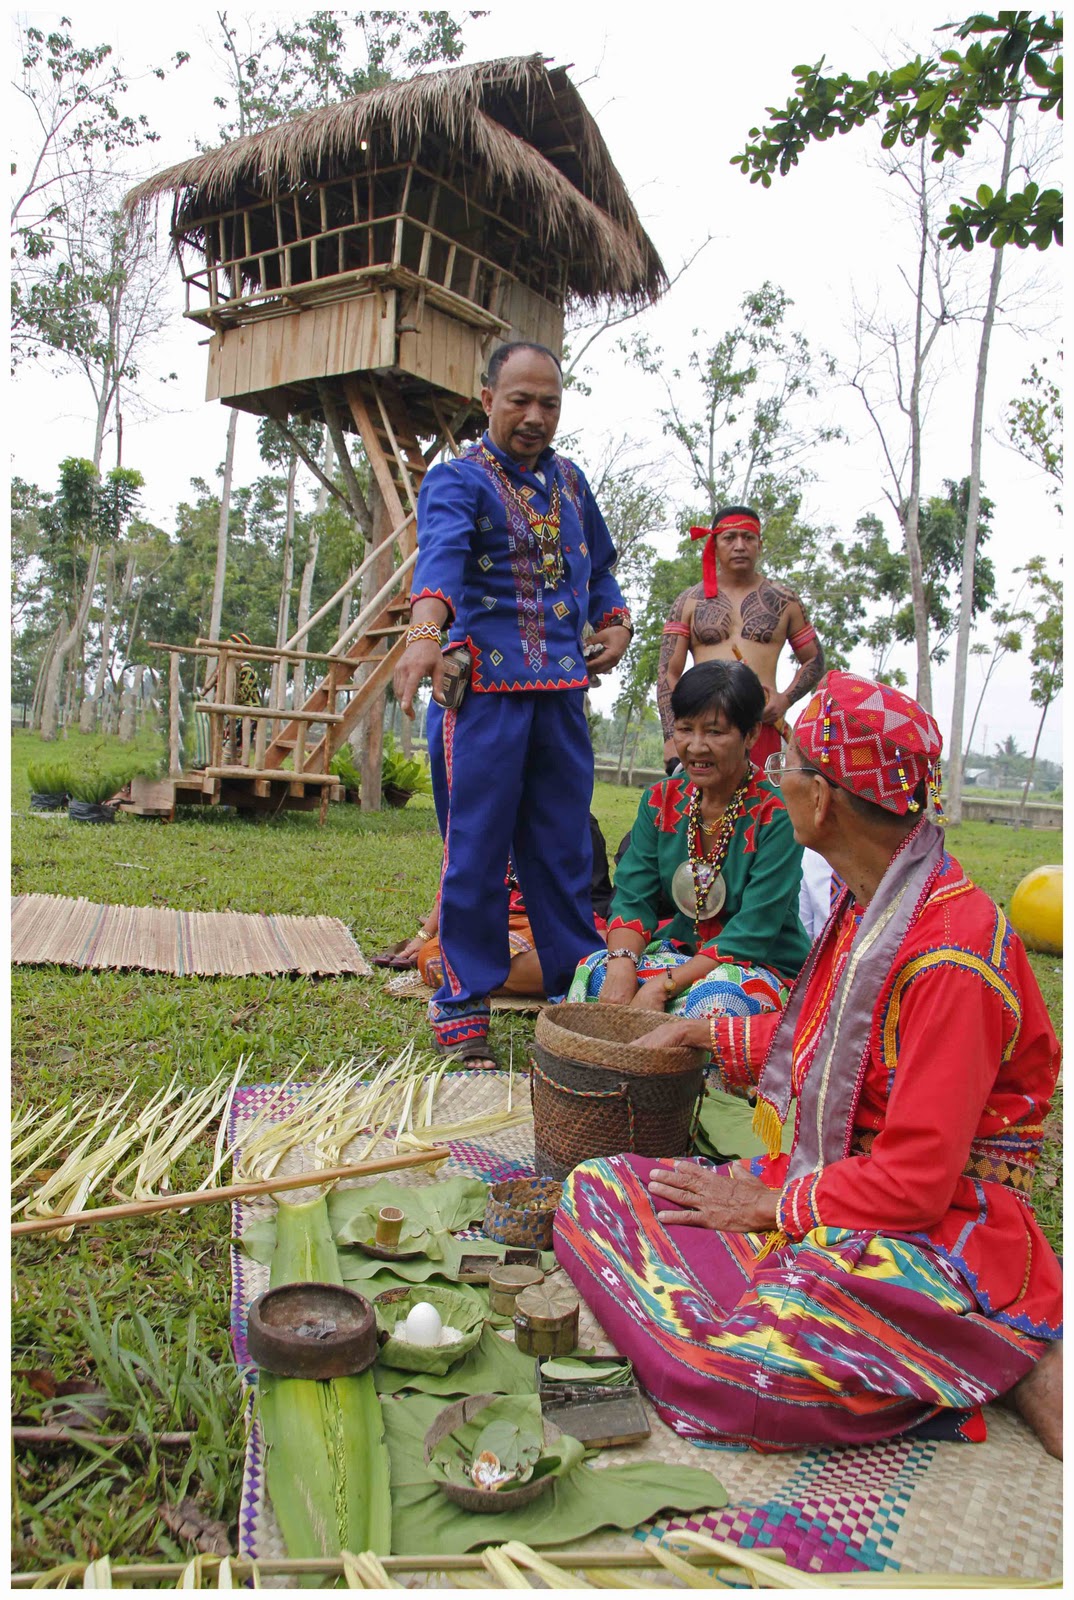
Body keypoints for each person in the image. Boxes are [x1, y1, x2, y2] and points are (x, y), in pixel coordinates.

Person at [555, 671, 1062, 1457]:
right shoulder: (876, 904)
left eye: (784, 759)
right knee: (597, 1191)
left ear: (821, 799)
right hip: (829, 1187)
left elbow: (918, 1180)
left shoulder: (950, 957)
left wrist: (770, 1207)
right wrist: (704, 1039)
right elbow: (831, 1054)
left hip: (935, 1229)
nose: (773, 773)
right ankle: (742, 1319)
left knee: (740, 1380)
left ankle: (973, 1341)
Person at [393, 342, 633, 1066]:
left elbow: (600, 571)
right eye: (519, 400)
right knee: (476, 851)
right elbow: (439, 561)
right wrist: (424, 636)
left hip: (560, 696)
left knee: (563, 850)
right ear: (487, 395)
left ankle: (572, 992)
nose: (534, 416)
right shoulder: (457, 481)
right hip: (483, 697)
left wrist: (616, 623)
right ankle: (464, 1000)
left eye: (549, 403)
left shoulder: (572, 481)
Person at [569, 660, 810, 1021]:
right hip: (682, 953)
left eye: (715, 732)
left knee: (714, 1002)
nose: (696, 747)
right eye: (685, 729)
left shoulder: (776, 814)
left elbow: (752, 932)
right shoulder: (659, 800)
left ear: (752, 735)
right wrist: (621, 967)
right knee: (597, 972)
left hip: (760, 967)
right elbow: (634, 896)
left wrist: (661, 986)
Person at [657, 505, 824, 775]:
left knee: (760, 811)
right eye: (729, 538)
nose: (739, 546)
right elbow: (668, 673)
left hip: (760, 725)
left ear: (759, 544)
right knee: (701, 812)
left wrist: (784, 700)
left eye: (748, 538)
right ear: (714, 544)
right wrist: (670, 737)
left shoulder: (785, 601)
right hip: (703, 729)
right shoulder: (688, 602)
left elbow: (814, 659)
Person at [392, 817, 615, 998]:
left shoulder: (571, 819)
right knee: (430, 958)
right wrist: (424, 935)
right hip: (494, 923)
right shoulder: (479, 819)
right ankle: (561, 977)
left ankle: (474, 977)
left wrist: (596, 937)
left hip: (544, 922)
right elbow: (454, 884)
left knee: (575, 954)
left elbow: (592, 894)